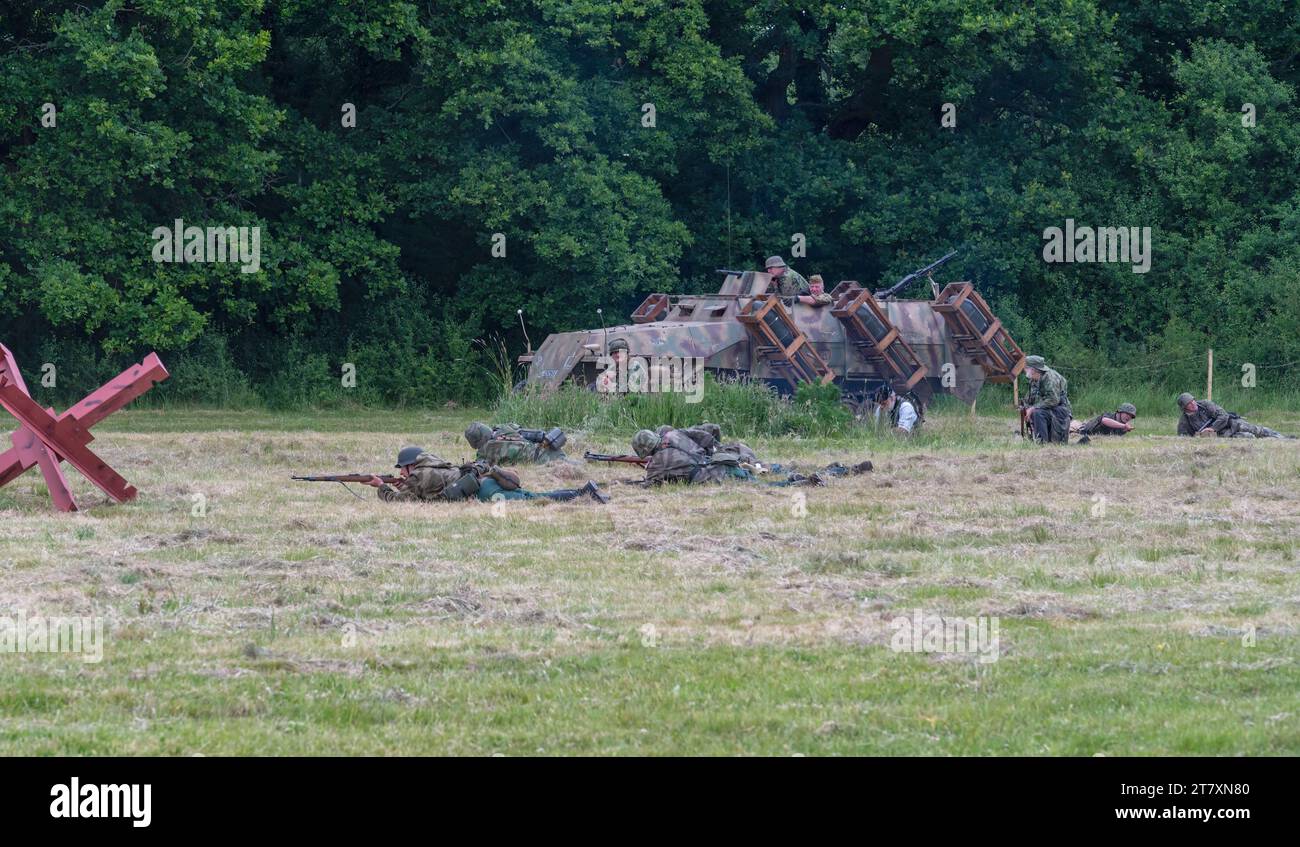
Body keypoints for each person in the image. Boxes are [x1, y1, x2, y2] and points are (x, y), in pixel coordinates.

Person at [366, 447, 607, 503]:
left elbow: (401, 502)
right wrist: (401, 484)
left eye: (403, 468)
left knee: (534, 499)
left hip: (484, 492)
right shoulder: (433, 467)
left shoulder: (419, 476)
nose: (402, 472)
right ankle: (583, 491)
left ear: (409, 466)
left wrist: (381, 487)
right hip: (486, 482)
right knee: (532, 495)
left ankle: (583, 493)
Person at [1175, 393, 1291, 439]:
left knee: (1257, 430)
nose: (1193, 404)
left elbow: (1223, 416)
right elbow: (1184, 439)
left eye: (1193, 401)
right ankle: (1273, 442)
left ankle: (1283, 438)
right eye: (1189, 404)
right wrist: (1200, 436)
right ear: (1184, 408)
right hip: (1222, 436)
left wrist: (1212, 428)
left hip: (1230, 424)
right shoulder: (1184, 422)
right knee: (1249, 437)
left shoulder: (1205, 404)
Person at [1021, 355, 1071, 443]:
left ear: (1033, 369)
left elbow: (1053, 400)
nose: (1024, 370)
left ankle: (1042, 442)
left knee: (1037, 413)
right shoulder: (1034, 379)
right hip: (1051, 408)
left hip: (1061, 410)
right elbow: (1030, 398)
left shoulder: (1050, 378)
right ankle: (1039, 438)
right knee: (1035, 411)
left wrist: (1033, 408)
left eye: (1026, 367)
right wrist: (1025, 407)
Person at [464, 422, 567, 464]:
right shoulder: (505, 427)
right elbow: (529, 434)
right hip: (550, 449)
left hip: (542, 461)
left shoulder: (484, 452)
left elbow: (479, 467)